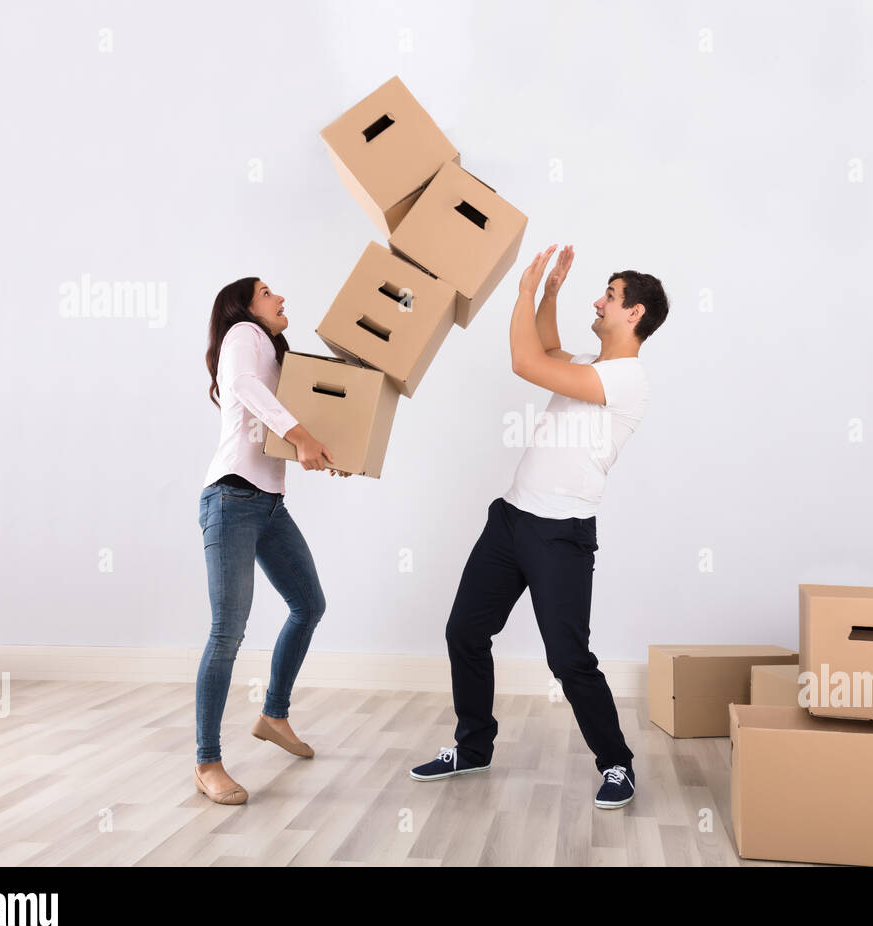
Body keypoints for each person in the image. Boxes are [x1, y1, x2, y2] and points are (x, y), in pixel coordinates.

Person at [410, 244, 668, 809]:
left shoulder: (629, 380)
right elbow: (548, 348)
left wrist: (524, 291)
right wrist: (549, 294)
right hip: (510, 521)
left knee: (568, 659)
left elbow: (527, 362)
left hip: (561, 536)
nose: (597, 301)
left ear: (635, 315)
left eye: (611, 295)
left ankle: (617, 765)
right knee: (465, 633)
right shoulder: (593, 366)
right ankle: (474, 747)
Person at [194, 277, 348, 805]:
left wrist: (329, 452)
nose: (281, 296)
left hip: (267, 503)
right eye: (267, 292)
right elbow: (242, 387)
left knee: (309, 605)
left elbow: (290, 423)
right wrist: (303, 436)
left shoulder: (275, 356)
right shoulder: (243, 334)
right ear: (245, 306)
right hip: (231, 499)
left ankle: (273, 714)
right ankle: (207, 762)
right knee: (227, 632)